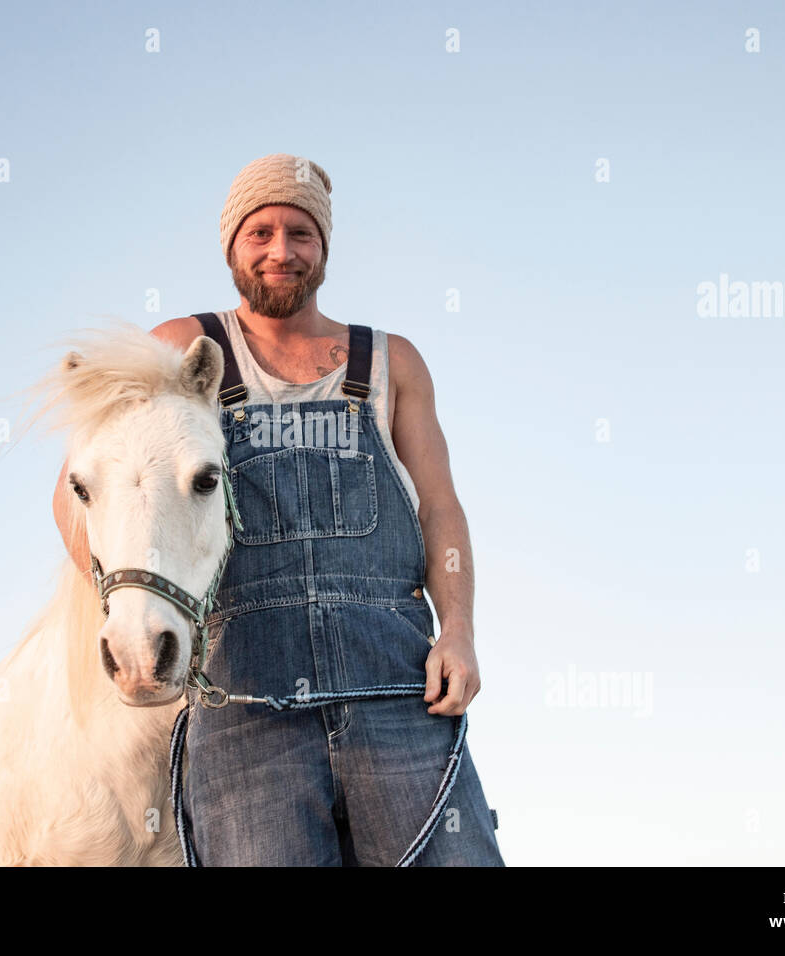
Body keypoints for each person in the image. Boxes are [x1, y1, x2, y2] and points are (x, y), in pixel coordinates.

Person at [52, 153, 504, 866]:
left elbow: (440, 509)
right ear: (231, 245)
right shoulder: (179, 348)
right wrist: (139, 617)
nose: (280, 251)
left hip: (395, 691)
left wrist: (460, 633)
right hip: (248, 709)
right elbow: (86, 490)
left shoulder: (392, 364)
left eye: (301, 233)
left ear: (324, 248)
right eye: (259, 232)